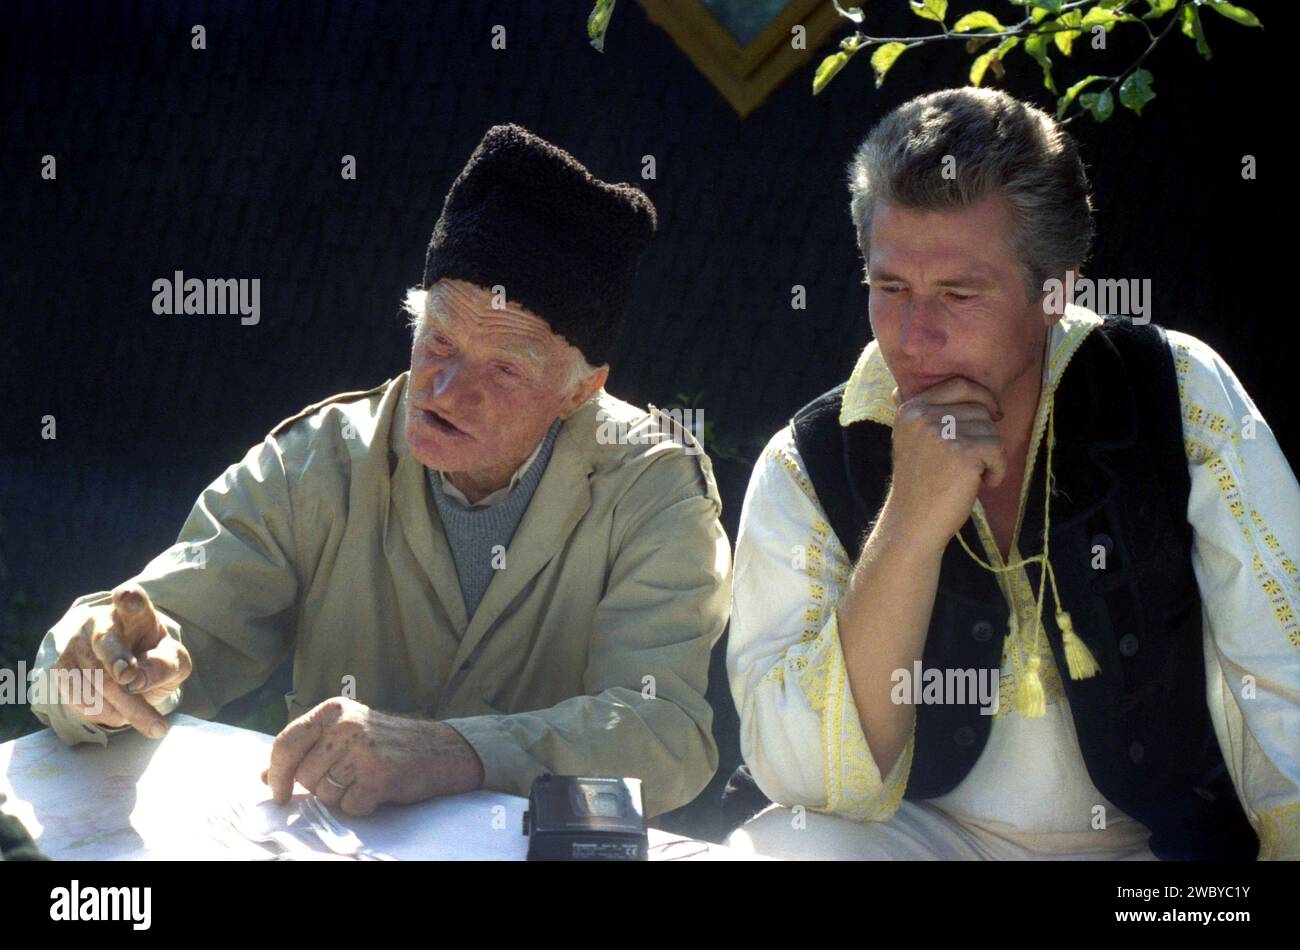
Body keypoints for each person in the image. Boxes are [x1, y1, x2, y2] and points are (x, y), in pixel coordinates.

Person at [29, 124, 731, 819]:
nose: (446, 390)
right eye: (439, 340)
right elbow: (173, 625)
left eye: (505, 369)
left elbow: (664, 734)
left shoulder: (655, 488)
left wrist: (454, 752)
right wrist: (97, 665)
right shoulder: (322, 460)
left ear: (581, 390)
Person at [727, 88, 1298, 860]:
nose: (915, 335)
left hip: (1155, 863)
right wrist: (906, 528)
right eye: (889, 288)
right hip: (926, 844)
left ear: (1053, 291)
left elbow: (1285, 673)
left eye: (959, 295)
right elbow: (804, 781)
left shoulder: (1175, 392)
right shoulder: (809, 461)